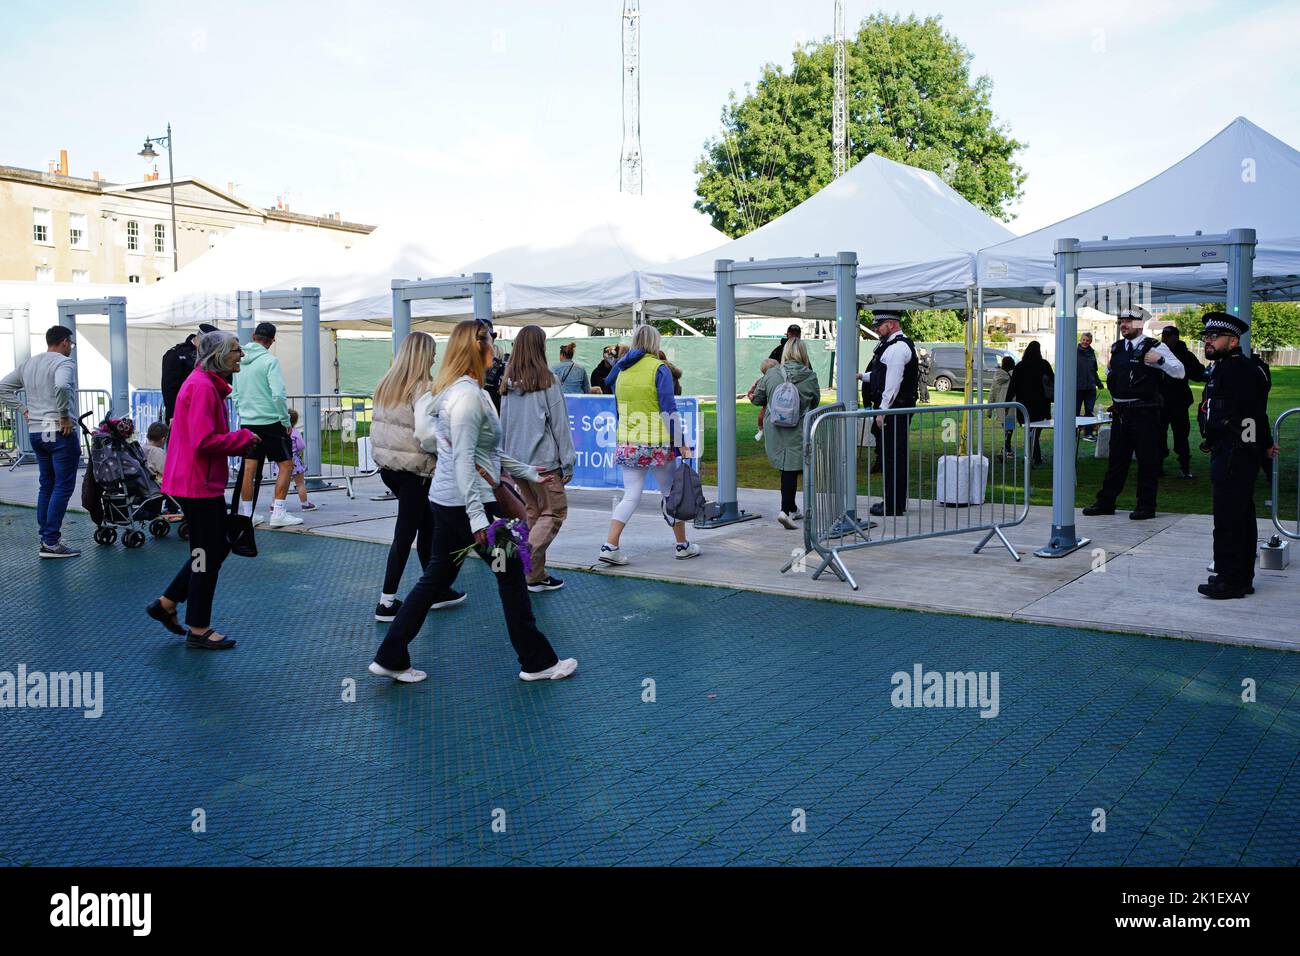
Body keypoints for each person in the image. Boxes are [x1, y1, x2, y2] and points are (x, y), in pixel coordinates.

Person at [369, 320, 576, 684]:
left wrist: (527, 472)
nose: (496, 345)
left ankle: (391, 655)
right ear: (478, 346)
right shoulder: (465, 397)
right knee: (510, 575)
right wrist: (479, 517)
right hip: (468, 507)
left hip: (452, 504)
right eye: (492, 339)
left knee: (437, 577)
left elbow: (485, 453)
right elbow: (465, 458)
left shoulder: (460, 391)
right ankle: (537, 661)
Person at [145, 331, 259, 649]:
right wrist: (243, 439)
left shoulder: (203, 384)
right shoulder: (203, 387)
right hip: (198, 482)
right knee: (207, 553)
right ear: (219, 355)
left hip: (195, 480)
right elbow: (204, 440)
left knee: (208, 550)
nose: (241, 356)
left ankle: (168, 603)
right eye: (236, 351)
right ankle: (197, 626)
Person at [370, 331, 464, 622]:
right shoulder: (423, 387)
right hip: (415, 469)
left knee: (427, 524)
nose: (436, 356)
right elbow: (425, 432)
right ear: (424, 355)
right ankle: (387, 602)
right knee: (408, 531)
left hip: (390, 467)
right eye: (433, 351)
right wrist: (446, 448)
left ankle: (435, 588)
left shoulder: (386, 384)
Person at [598, 324, 700, 565]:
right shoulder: (659, 369)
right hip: (657, 442)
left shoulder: (621, 370)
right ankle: (682, 545)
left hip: (628, 440)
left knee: (630, 495)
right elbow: (668, 409)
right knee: (670, 494)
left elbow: (614, 397)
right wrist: (681, 442)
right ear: (655, 343)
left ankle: (610, 545)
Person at [1196, 311, 1278, 599]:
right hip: (1227, 448)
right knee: (1237, 516)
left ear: (1233, 340)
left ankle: (1230, 580)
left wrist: (1252, 447)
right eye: (1206, 336)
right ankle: (1238, 577)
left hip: (1235, 453)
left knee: (1230, 518)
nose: (1208, 341)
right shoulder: (1223, 367)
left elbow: (1252, 416)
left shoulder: (1238, 369)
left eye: (1213, 337)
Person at [1083, 307, 1185, 520]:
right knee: (1116, 460)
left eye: (1128, 321)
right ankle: (1106, 502)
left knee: (1148, 461)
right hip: (1121, 412)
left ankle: (1146, 506)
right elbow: (1116, 376)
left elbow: (1180, 372)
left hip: (1145, 413)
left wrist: (1160, 360)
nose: (1124, 324)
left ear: (1140, 324)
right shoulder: (1118, 347)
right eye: (1121, 320)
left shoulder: (1155, 346)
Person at [501, 324, 577, 592]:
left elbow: (505, 423)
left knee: (534, 512)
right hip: (544, 462)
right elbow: (560, 424)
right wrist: (568, 460)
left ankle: (535, 574)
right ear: (540, 347)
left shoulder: (507, 382)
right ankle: (526, 562)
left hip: (517, 462)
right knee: (554, 513)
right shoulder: (547, 380)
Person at [0, 325, 80, 557]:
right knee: (63, 485)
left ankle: (46, 536)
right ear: (65, 342)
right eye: (71, 345)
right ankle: (52, 541)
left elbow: (3, 387)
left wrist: (24, 410)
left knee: (47, 484)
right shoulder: (63, 363)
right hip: (59, 429)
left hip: (37, 431)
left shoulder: (29, 363)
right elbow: (62, 385)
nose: (70, 349)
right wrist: (64, 415)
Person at [232, 321, 302, 528]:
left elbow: (235, 392)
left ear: (253, 336)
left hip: (248, 421)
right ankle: (278, 512)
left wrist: (243, 412)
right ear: (272, 341)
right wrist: (285, 419)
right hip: (270, 420)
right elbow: (278, 394)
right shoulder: (270, 361)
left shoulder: (239, 359)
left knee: (249, 468)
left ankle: (247, 515)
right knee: (286, 465)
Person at [752, 338, 820, 529]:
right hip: (798, 427)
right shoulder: (810, 376)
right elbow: (814, 403)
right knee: (792, 467)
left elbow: (758, 399)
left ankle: (789, 507)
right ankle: (787, 510)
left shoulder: (772, 373)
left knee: (786, 468)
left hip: (774, 427)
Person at [855, 312, 918, 517]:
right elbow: (883, 374)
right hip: (896, 409)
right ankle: (894, 502)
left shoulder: (898, 348)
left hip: (894, 410)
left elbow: (892, 383)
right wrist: (863, 376)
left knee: (893, 458)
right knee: (892, 456)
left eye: (878, 326)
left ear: (890, 325)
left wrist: (882, 411)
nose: (875, 329)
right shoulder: (895, 346)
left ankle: (892, 504)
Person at [1159, 325, 1207, 478]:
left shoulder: (1185, 355)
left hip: (1179, 402)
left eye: (1167, 336)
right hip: (1160, 403)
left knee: (1181, 436)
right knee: (1159, 435)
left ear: (1176, 337)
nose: (1164, 339)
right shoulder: (1157, 353)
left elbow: (1198, 374)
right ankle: (1158, 466)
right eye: (1163, 336)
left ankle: (1185, 468)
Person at [1005, 341, 1053, 467]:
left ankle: (1032, 456)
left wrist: (1007, 402)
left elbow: (1013, 386)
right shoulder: (1044, 365)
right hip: (1041, 405)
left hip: (1024, 405)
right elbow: (1052, 381)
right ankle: (1034, 456)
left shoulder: (1020, 366)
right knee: (1035, 432)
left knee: (1030, 431)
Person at [160, 323, 218, 422]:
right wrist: (172, 414)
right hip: (183, 411)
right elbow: (168, 387)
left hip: (204, 410)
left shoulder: (209, 356)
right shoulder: (176, 354)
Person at [275, 408, 319, 511]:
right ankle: (305, 503)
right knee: (300, 483)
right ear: (295, 421)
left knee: (280, 482)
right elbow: (301, 445)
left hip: (281, 458)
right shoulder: (295, 432)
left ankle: (274, 505)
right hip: (294, 460)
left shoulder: (278, 432)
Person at [1076, 332, 1104, 441]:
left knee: (1089, 411)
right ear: (1080, 340)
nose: (1085, 342)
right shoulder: (1074, 352)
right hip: (1077, 388)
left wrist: (1099, 383)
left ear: (1090, 342)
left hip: (1090, 388)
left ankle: (1088, 433)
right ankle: (1073, 432)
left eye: (1087, 340)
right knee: (1075, 411)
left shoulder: (1092, 353)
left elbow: (1094, 370)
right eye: (1084, 340)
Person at [987, 355, 1016, 458]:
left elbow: (992, 393)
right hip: (1012, 406)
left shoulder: (997, 376)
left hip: (1000, 408)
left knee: (1007, 428)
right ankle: (1006, 449)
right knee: (1009, 429)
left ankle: (1006, 448)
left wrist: (989, 411)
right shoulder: (1015, 375)